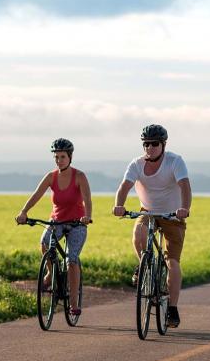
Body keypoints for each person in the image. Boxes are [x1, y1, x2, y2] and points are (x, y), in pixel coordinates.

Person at [112, 124, 192, 328]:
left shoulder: (175, 161)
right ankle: (143, 264)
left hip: (173, 214)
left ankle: (172, 309)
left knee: (172, 262)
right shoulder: (137, 164)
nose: (150, 148)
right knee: (138, 231)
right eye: (146, 144)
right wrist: (119, 205)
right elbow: (124, 186)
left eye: (154, 144)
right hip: (147, 211)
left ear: (163, 145)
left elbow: (185, 186)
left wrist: (184, 208)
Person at [16, 138, 93, 316]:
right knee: (44, 243)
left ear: (70, 157)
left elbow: (87, 200)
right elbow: (36, 194)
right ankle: (51, 274)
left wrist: (87, 216)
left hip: (77, 223)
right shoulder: (51, 176)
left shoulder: (79, 176)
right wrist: (24, 212)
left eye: (62, 157)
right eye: (56, 157)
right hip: (56, 221)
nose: (59, 160)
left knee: (71, 260)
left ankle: (73, 303)